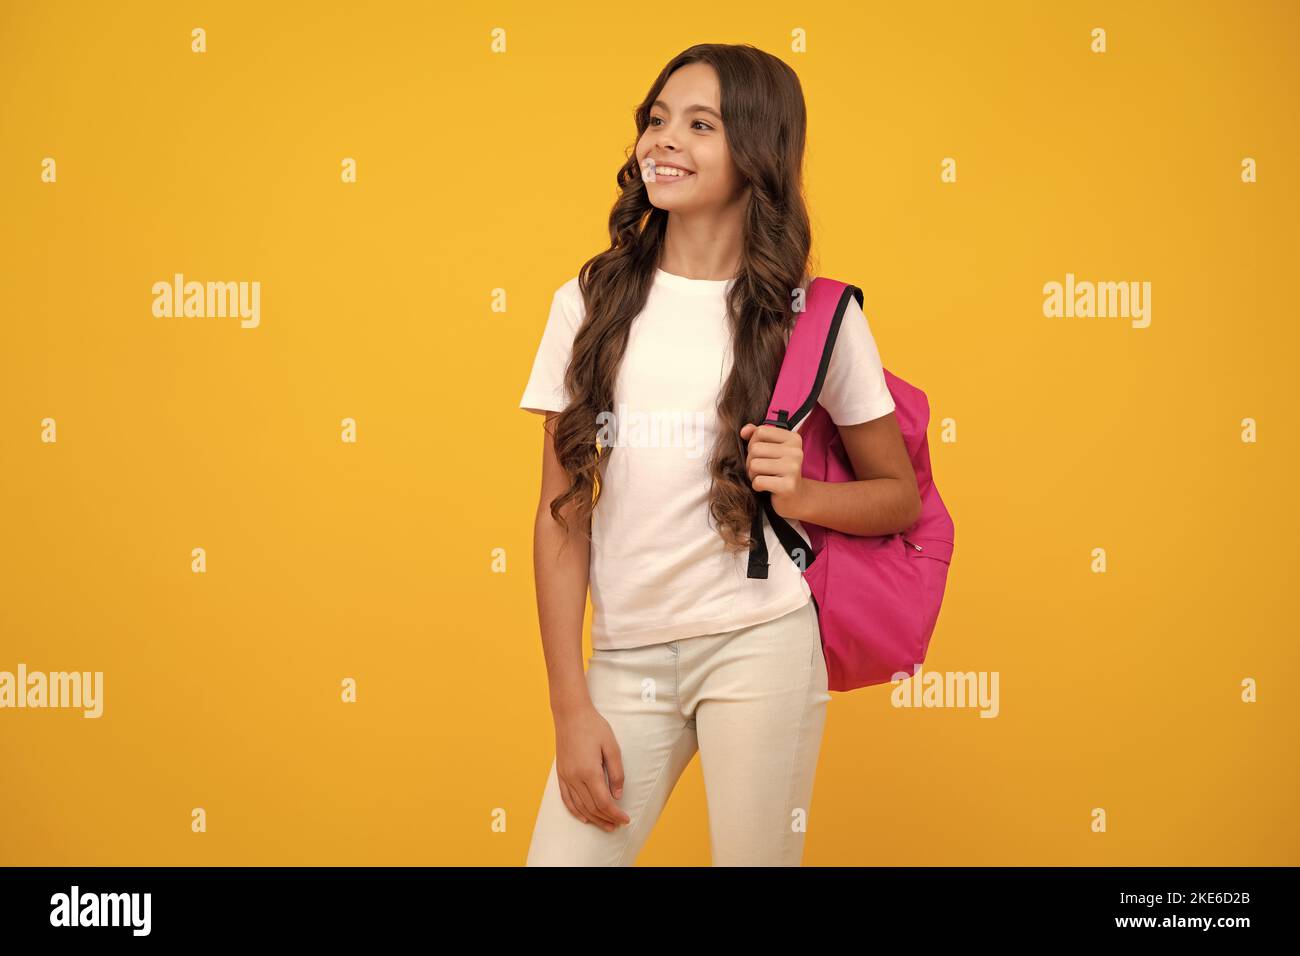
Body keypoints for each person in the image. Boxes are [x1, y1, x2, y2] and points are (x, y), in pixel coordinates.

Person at [518, 43, 921, 866]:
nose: (664, 140)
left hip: (759, 642)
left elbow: (898, 496)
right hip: (626, 659)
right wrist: (571, 707)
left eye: (700, 125)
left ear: (757, 156)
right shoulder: (587, 305)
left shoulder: (814, 318)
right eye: (657, 120)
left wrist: (803, 493)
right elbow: (562, 519)